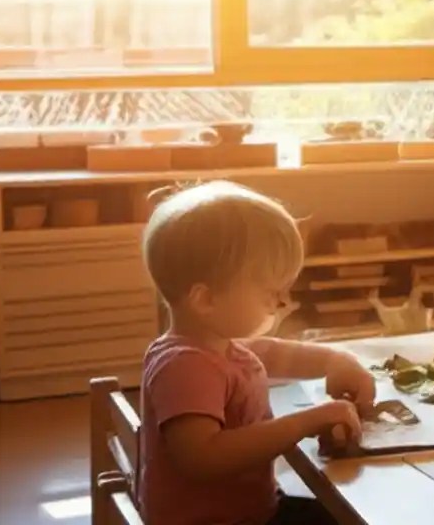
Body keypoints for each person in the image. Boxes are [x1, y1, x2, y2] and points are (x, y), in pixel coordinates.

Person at [137, 181, 376, 525]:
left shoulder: (212, 345)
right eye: (270, 292)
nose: (281, 303)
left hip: (251, 510)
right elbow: (202, 457)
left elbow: (272, 353)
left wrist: (337, 361)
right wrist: (307, 421)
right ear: (206, 300)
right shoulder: (185, 366)